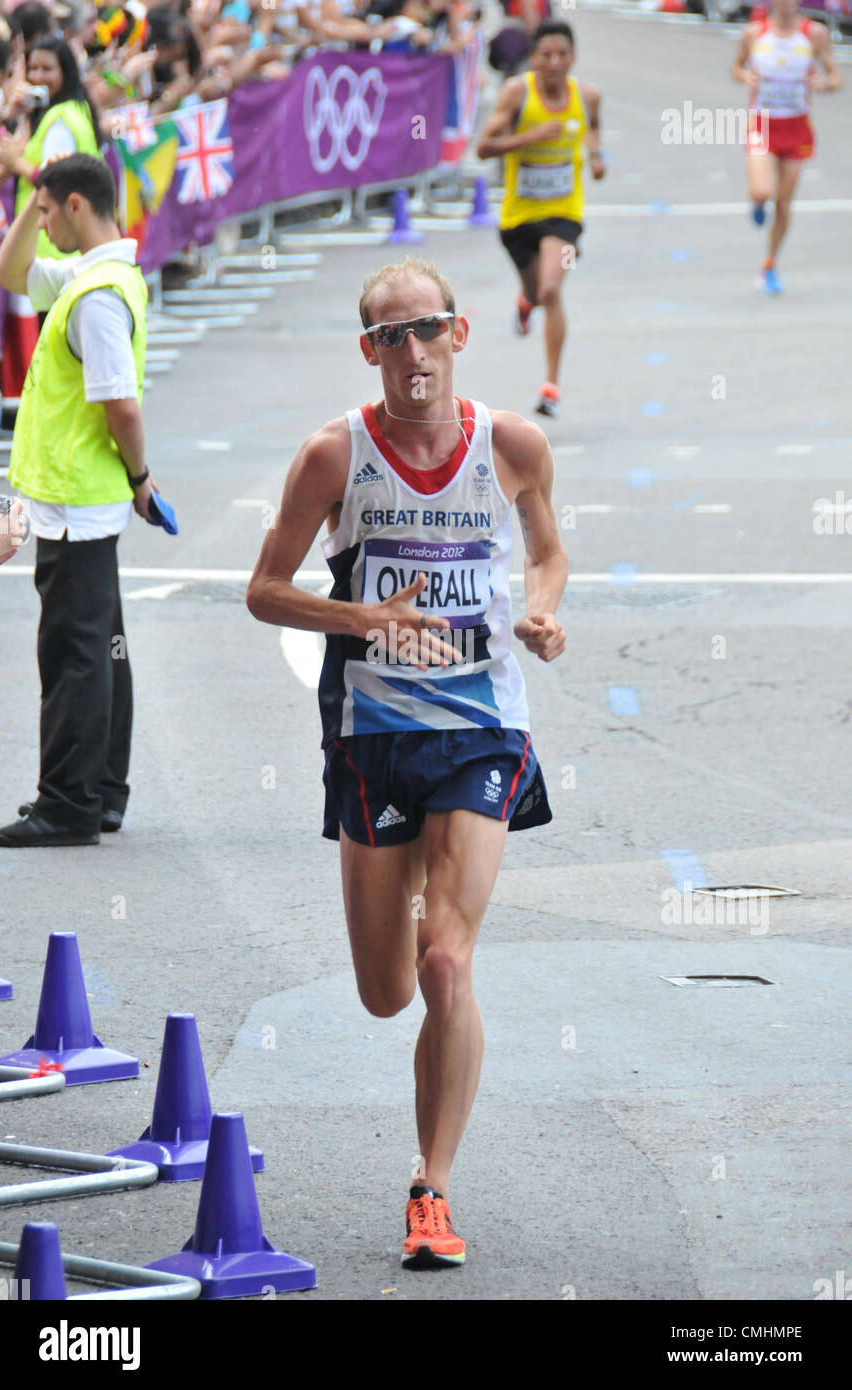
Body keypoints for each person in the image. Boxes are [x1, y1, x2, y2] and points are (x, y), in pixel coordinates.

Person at [247, 255, 567, 1267]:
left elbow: (547, 549)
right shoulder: (332, 456)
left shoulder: (511, 443)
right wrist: (360, 617)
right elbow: (263, 588)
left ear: (459, 334)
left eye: (428, 328)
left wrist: (543, 608)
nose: (413, 349)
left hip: (481, 726)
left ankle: (430, 1187)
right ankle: (416, 939)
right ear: (368, 349)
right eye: (392, 334)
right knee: (384, 988)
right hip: (372, 737)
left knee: (444, 960)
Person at [0, 152, 155, 849]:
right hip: (85, 494)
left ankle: (67, 804)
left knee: (73, 656)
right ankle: (102, 790)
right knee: (103, 648)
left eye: (51, 210)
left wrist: (142, 476)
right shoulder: (100, 274)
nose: (43, 222)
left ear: (79, 207)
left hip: (75, 497)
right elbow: (9, 272)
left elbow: (121, 403)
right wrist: (34, 194)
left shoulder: (93, 296)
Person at [476, 20, 605, 420]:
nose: (554, 62)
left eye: (562, 54)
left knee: (552, 289)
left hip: (564, 214)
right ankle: (524, 300)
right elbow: (483, 148)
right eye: (545, 55)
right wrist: (531, 137)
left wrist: (597, 156)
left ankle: (550, 387)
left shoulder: (587, 96)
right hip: (518, 217)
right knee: (535, 291)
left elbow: (593, 128)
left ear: (573, 57)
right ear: (533, 58)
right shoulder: (518, 93)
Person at [731, 0, 841, 295]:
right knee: (762, 192)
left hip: (796, 127)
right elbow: (736, 67)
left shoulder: (813, 33)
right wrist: (745, 77)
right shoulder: (755, 33)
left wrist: (825, 83)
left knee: (783, 204)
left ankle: (769, 264)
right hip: (763, 124)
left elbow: (836, 76)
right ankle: (756, 201)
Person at [0, 34, 104, 262]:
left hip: (49, 248)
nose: (38, 76)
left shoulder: (59, 119)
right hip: (55, 243)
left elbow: (56, 180)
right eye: (33, 68)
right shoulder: (75, 108)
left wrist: (15, 162)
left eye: (47, 69)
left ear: (65, 71)